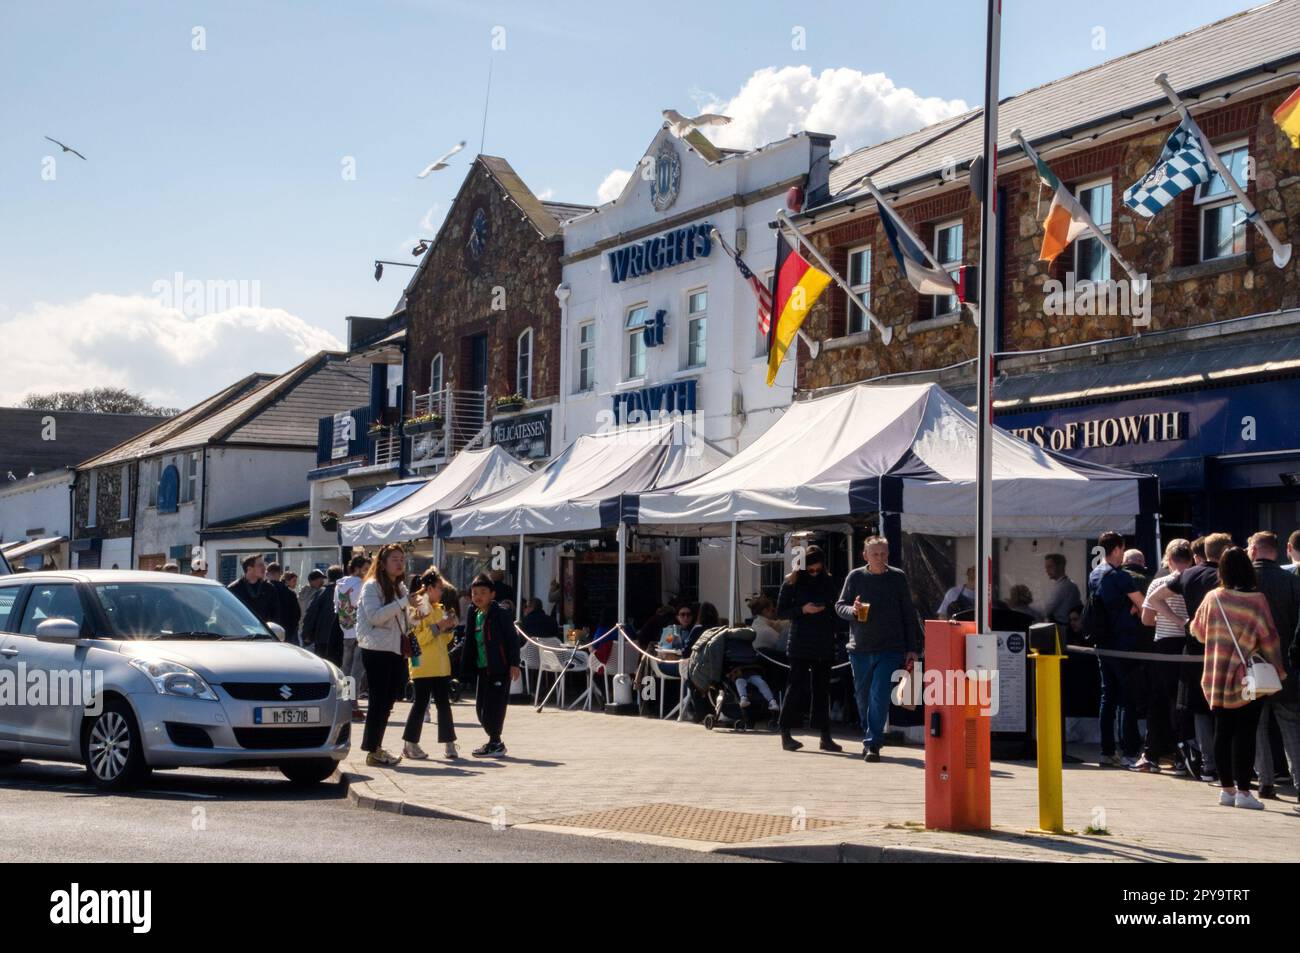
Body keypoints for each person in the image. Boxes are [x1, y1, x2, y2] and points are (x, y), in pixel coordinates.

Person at [1190, 547, 1287, 810]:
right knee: (1246, 734)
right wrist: (1278, 669)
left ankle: (1227, 790)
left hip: (1217, 674)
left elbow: (1197, 631)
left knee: (1222, 732)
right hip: (1247, 680)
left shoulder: (1213, 597)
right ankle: (1244, 792)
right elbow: (1269, 639)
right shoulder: (1257, 600)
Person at [1147, 532, 1233, 781]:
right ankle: (1229, 765)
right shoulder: (1228, 576)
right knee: (1226, 706)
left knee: (1200, 708)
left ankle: (1209, 765)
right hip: (1225, 647)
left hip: (1195, 645)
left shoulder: (1189, 575)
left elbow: (1153, 600)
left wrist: (1185, 623)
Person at [836, 536, 921, 762]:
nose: (880, 558)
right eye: (875, 554)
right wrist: (852, 611)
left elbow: (908, 614)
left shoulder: (897, 577)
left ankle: (873, 742)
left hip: (890, 647)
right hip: (860, 647)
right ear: (865, 555)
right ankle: (869, 732)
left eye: (883, 554)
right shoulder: (855, 576)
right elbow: (839, 606)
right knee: (862, 695)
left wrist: (912, 648)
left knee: (880, 693)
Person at [1246, 531, 1300, 799]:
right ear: (1277, 551)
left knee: (1258, 725)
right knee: (1290, 724)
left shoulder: (1243, 582)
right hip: (1285, 663)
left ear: (1254, 550)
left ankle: (1265, 781)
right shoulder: (1292, 581)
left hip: (1252, 663)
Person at [356, 544, 419, 767]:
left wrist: (416, 614)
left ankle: (376, 747)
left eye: (402, 559)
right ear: (382, 563)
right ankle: (372, 749)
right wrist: (403, 603)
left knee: (387, 702)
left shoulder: (399, 586)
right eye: (394, 559)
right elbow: (374, 617)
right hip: (376, 650)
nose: (400, 563)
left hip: (394, 649)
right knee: (378, 702)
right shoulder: (372, 586)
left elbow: (402, 619)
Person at [776, 544, 841, 753]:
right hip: (800, 641)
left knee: (822, 689)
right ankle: (785, 732)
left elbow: (835, 607)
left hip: (823, 640)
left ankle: (825, 735)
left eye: (818, 569)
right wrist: (803, 609)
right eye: (810, 569)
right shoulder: (792, 581)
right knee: (795, 686)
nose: (814, 572)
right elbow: (781, 612)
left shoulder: (828, 581)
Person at [1088, 531, 1145, 768]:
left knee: (1106, 697)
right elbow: (1143, 604)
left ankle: (1106, 750)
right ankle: (1130, 751)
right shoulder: (1120, 576)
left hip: (1102, 642)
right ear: (1118, 549)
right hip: (1123, 643)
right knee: (1127, 698)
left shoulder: (1095, 574)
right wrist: (1132, 611)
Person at [1139, 539, 1194, 774]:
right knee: (1183, 700)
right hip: (1190, 645)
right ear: (1191, 559)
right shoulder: (1195, 582)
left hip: (1164, 644)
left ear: (1168, 560)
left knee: (1160, 700)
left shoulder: (1159, 582)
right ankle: (1184, 755)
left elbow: (1146, 619)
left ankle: (1152, 754)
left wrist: (1168, 620)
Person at [402, 568, 460, 761]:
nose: (442, 592)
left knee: (444, 705)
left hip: (440, 665)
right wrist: (439, 627)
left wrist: (449, 627)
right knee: (420, 703)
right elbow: (417, 638)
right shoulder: (417, 607)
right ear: (428, 588)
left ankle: (449, 743)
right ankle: (410, 744)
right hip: (422, 665)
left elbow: (443, 640)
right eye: (439, 588)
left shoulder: (439, 608)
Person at [461, 574, 521, 758]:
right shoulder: (474, 613)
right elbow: (469, 640)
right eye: (474, 593)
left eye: (483, 592)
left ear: (492, 594)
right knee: (480, 709)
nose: (478, 596)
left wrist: (514, 664)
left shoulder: (500, 613)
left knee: (494, 708)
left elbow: (512, 639)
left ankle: (496, 743)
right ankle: (494, 741)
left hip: (499, 668)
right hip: (482, 669)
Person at [337, 554, 371, 709]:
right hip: (360, 630)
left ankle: (343, 700)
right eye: (365, 569)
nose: (368, 571)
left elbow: (336, 607)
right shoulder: (362, 585)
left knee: (346, 668)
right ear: (357, 569)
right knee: (356, 670)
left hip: (345, 629)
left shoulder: (339, 585)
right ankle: (352, 702)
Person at [227, 554, 276, 624]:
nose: (265, 568)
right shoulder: (234, 589)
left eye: (264, 564)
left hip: (264, 632)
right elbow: (228, 615)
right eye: (260, 565)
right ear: (249, 569)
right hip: (242, 633)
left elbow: (275, 617)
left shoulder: (269, 588)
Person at [266, 562, 302, 645]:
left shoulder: (263, 591)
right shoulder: (290, 593)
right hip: (287, 633)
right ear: (280, 574)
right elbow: (297, 614)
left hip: (268, 632)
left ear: (267, 573)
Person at [1041, 554, 1082, 627]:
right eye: (1046, 567)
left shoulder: (1061, 587)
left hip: (1062, 629)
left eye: (1050, 567)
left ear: (1060, 566)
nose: (1047, 570)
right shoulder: (1071, 585)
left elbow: (1046, 611)